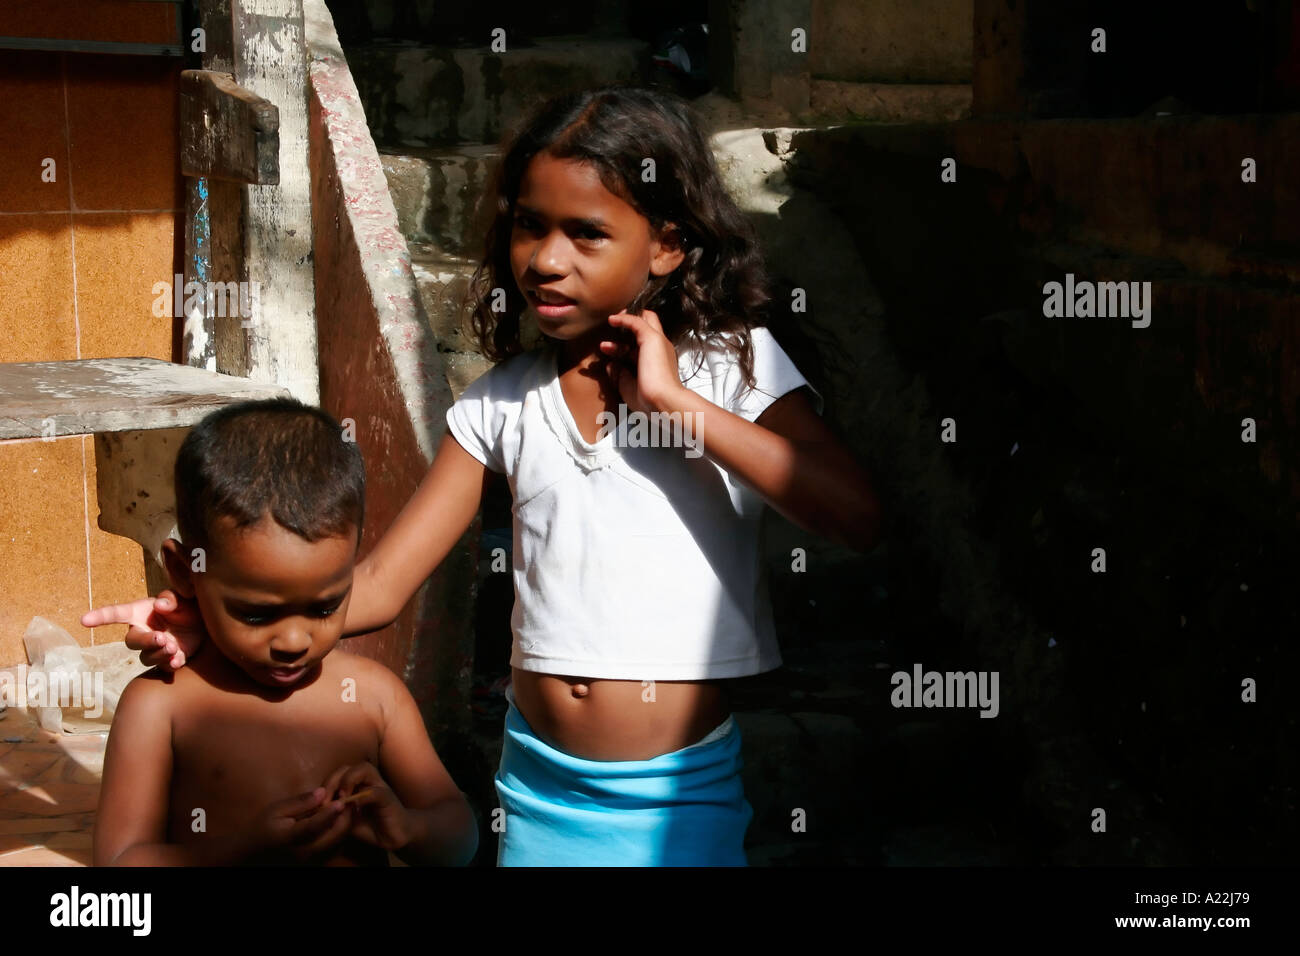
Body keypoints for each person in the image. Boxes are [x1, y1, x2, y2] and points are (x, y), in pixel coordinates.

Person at [84, 85, 880, 866]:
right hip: (535, 787)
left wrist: (675, 403)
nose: (547, 260)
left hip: (678, 794)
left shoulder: (725, 368)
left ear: (666, 244)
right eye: (531, 227)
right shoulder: (502, 402)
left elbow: (853, 514)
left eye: (587, 233)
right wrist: (225, 622)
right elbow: (385, 585)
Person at [91, 399, 478, 866]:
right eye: (255, 615)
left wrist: (408, 828)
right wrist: (243, 851)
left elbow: (459, 838)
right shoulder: (161, 705)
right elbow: (121, 860)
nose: (294, 642)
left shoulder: (376, 696)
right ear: (185, 571)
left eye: (325, 606)